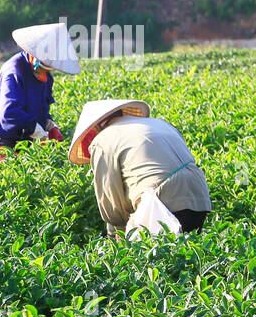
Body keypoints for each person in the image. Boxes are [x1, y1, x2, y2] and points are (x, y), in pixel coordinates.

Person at [68, 98, 213, 238]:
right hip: (199, 193)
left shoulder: (103, 139)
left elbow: (110, 194)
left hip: (161, 200)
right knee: (189, 252)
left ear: (97, 126)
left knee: (157, 258)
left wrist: (115, 232)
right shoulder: (159, 123)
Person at [0, 22, 81, 152]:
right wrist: (34, 128)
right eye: (42, 68)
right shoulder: (14, 72)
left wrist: (49, 124)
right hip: (4, 141)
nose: (45, 73)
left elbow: (40, 109)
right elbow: (9, 115)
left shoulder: (46, 78)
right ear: (33, 56)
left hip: (26, 142)